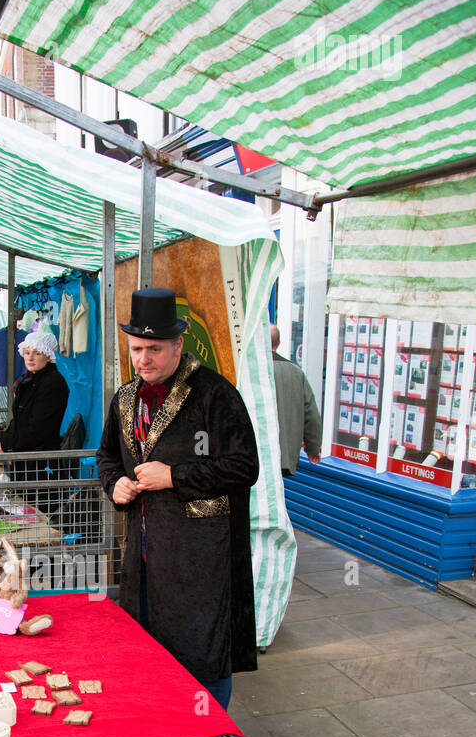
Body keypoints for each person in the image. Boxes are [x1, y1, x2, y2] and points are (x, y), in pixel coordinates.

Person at [96, 287, 259, 710]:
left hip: (200, 556)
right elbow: (107, 455)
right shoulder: (126, 397)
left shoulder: (214, 395)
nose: (143, 359)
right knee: (148, 642)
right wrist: (114, 483)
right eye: (136, 349)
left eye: (154, 349)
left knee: (200, 649)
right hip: (144, 553)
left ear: (178, 345)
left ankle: (211, 731)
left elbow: (245, 467)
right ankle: (161, 721)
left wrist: (175, 476)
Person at [0, 330, 69, 456]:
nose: (30, 358)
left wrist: (8, 445)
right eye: (27, 352)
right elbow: (19, 420)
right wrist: (5, 442)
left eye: (37, 353)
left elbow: (38, 429)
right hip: (25, 455)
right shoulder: (28, 380)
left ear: (48, 356)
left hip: (40, 459)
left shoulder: (52, 383)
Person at [270, 325, 322, 475]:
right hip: (285, 456)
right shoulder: (296, 372)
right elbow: (310, 413)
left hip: (255, 455)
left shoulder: (251, 369)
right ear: (278, 344)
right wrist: (313, 448)